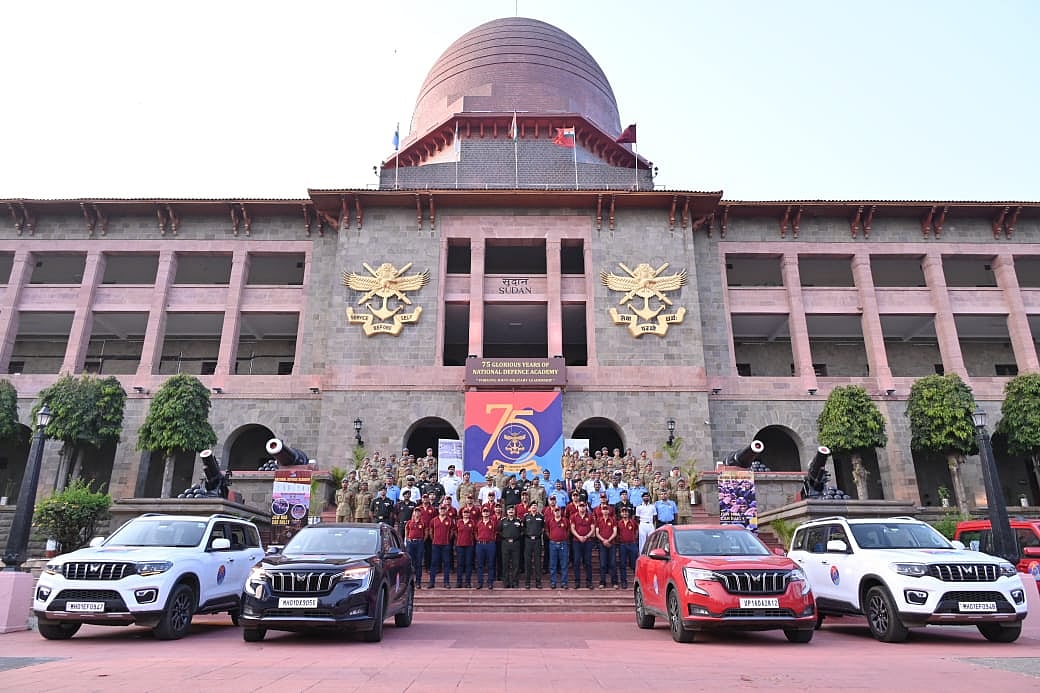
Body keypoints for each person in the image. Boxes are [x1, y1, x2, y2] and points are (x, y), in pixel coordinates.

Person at [428, 503, 455, 588]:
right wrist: (434, 539)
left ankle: (446, 582)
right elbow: (430, 532)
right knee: (434, 563)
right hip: (436, 545)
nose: (442, 510)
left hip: (446, 544)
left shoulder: (450, 520)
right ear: (438, 510)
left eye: (444, 509)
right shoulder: (434, 520)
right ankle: (432, 582)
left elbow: (452, 532)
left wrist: (447, 540)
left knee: (446, 563)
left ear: (446, 510)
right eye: (441, 509)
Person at [570, 500, 595, 589]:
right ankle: (577, 582)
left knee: (588, 562)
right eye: (580, 506)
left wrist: (587, 536)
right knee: (576, 561)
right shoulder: (574, 516)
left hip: (588, 541)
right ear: (578, 507)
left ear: (585, 507)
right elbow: (572, 529)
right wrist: (579, 536)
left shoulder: (590, 516)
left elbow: (593, 528)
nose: (582, 507)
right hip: (577, 541)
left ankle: (589, 582)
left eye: (583, 506)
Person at [546, 501, 570, 589]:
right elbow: (547, 530)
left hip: (563, 544)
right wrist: (552, 538)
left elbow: (568, 530)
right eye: (555, 511)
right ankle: (553, 582)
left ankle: (564, 582)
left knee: (564, 564)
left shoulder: (565, 520)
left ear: (561, 511)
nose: (557, 512)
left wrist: (564, 537)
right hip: (553, 544)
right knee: (553, 564)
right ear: (553, 512)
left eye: (558, 511)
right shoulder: (550, 521)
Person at [498, 505, 523, 588]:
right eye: (509, 510)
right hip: (505, 544)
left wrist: (516, 538)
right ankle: (506, 582)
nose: (511, 511)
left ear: (514, 511)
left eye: (512, 510)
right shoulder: (503, 521)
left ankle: (515, 582)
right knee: (505, 563)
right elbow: (499, 531)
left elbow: (522, 531)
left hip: (516, 544)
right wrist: (505, 537)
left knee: (516, 564)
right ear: (507, 512)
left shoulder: (518, 521)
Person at [595, 502, 619, 589]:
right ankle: (602, 582)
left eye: (606, 509)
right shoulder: (598, 520)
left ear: (609, 511)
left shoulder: (613, 520)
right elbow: (597, 533)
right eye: (603, 509)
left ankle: (614, 582)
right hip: (602, 544)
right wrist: (604, 541)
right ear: (601, 511)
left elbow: (615, 532)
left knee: (613, 563)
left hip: (611, 544)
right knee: (602, 564)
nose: (605, 511)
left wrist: (608, 540)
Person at [523, 501, 545, 589]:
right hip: (528, 540)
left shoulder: (541, 516)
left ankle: (538, 582)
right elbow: (523, 527)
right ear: (529, 508)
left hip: (537, 541)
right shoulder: (526, 517)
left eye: (535, 506)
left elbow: (543, 527)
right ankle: (527, 582)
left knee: (538, 562)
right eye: (532, 506)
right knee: (527, 562)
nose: (534, 507)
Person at [475, 507, 498, 590]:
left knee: (491, 564)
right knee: (480, 564)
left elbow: (496, 532)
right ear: (482, 513)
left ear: (489, 513)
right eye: (484, 511)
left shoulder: (493, 522)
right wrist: (478, 539)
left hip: (490, 544)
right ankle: (480, 582)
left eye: (487, 511)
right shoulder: (478, 523)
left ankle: (490, 582)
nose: (485, 513)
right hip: (480, 544)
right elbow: (475, 532)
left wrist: (492, 539)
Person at [403, 509, 427, 588]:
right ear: (413, 513)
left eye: (418, 512)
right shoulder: (409, 522)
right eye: (415, 512)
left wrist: (422, 540)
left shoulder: (423, 522)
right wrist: (407, 539)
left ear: (420, 513)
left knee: (419, 563)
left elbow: (426, 533)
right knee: (410, 562)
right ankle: (410, 581)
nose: (417, 513)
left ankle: (418, 581)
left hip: (419, 543)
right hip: (411, 543)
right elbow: (406, 530)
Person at [616, 506, 639, 588]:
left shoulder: (633, 522)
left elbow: (637, 530)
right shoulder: (619, 523)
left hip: (632, 544)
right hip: (623, 545)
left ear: (628, 513)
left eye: (626, 512)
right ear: (621, 513)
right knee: (622, 564)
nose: (624, 513)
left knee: (634, 564)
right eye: (623, 512)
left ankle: (636, 581)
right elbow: (617, 532)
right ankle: (623, 582)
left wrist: (634, 538)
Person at [455, 504, 477, 588]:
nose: (466, 514)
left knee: (468, 564)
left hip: (469, 545)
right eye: (464, 512)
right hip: (460, 545)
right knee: (460, 564)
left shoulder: (472, 522)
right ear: (462, 514)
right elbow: (455, 532)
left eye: (467, 513)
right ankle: (459, 582)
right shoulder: (459, 522)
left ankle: (468, 582)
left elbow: (475, 532)